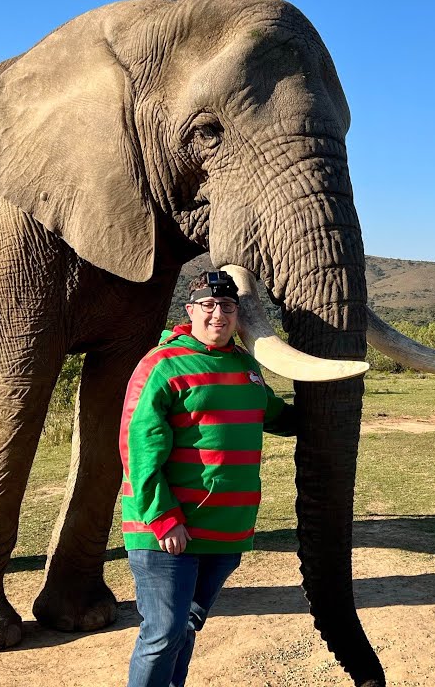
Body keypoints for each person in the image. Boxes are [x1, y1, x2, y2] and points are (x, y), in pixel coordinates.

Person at [121, 270, 297, 687]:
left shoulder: (245, 365)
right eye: (209, 305)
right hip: (168, 530)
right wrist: (163, 518)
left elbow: (271, 414)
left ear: (238, 314)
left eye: (228, 306)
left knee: (185, 627)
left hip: (225, 532)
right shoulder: (162, 364)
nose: (218, 314)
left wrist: (331, 411)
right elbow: (137, 449)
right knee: (162, 634)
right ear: (191, 310)